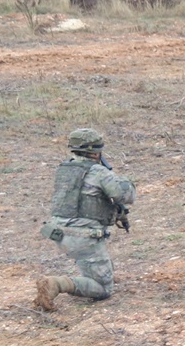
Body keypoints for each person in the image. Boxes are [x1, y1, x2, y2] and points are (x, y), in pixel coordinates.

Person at [35, 128, 135, 312]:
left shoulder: (65, 168)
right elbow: (123, 195)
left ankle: (100, 272)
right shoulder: (98, 172)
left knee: (98, 264)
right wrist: (126, 182)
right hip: (82, 237)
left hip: (58, 232)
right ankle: (57, 284)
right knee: (104, 288)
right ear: (97, 151)